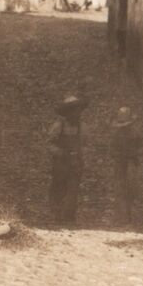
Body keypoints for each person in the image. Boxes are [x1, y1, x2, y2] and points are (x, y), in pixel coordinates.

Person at [47, 95, 87, 224]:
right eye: (74, 110)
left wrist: (81, 156)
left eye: (78, 110)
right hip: (61, 162)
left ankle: (69, 217)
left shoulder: (82, 127)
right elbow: (50, 144)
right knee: (59, 187)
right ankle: (57, 215)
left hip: (75, 161)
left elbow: (84, 144)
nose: (77, 113)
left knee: (73, 189)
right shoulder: (58, 126)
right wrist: (60, 153)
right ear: (67, 112)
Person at [111, 106, 141, 223]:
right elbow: (112, 149)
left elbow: (140, 146)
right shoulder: (116, 134)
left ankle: (131, 215)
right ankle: (121, 216)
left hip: (131, 162)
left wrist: (133, 154)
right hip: (120, 163)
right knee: (120, 188)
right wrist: (117, 155)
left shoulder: (135, 133)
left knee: (132, 188)